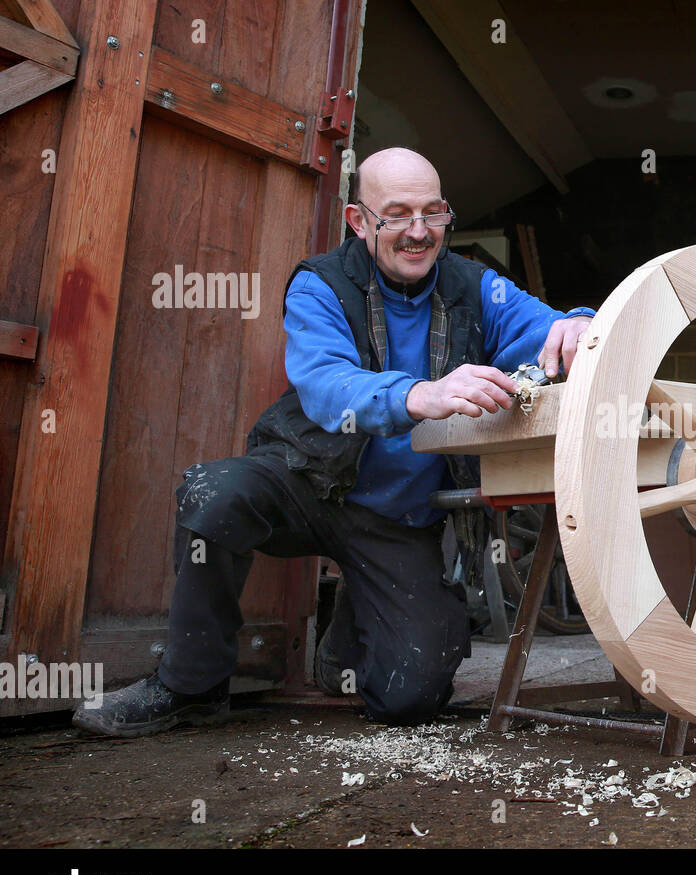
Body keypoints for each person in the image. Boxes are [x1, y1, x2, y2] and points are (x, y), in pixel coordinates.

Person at [72, 148, 594, 737]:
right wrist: (418, 394)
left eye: (433, 213)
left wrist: (575, 324)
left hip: (396, 520)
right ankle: (190, 686)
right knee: (213, 493)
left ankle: (347, 638)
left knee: (410, 700)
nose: (419, 233)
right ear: (358, 220)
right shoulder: (319, 284)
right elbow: (325, 385)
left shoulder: (476, 285)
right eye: (396, 215)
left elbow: (546, 326)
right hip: (307, 482)